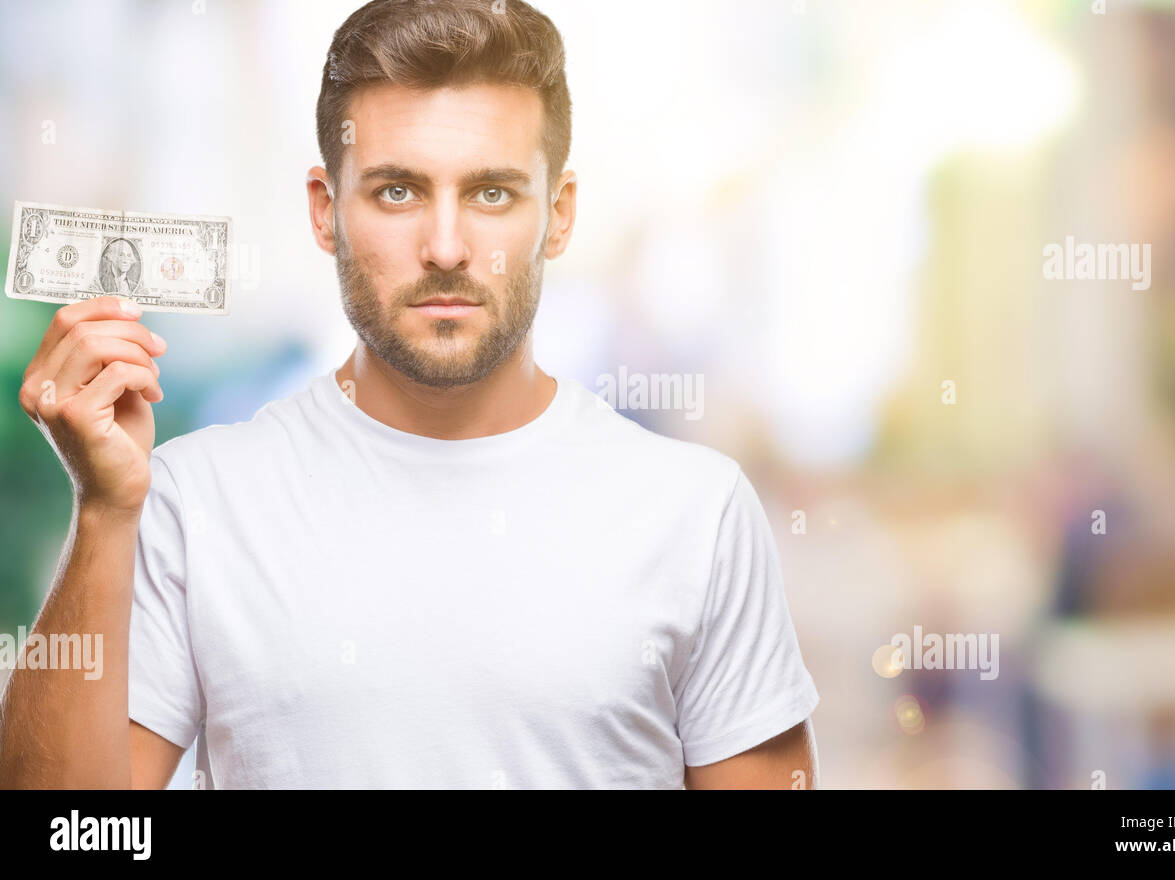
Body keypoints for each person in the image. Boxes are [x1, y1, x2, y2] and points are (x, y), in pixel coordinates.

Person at [0, 0, 819, 789]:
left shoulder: (697, 514)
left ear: (559, 215)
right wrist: (104, 510)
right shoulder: (193, 499)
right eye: (397, 191)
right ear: (326, 212)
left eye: (492, 193)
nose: (447, 246)